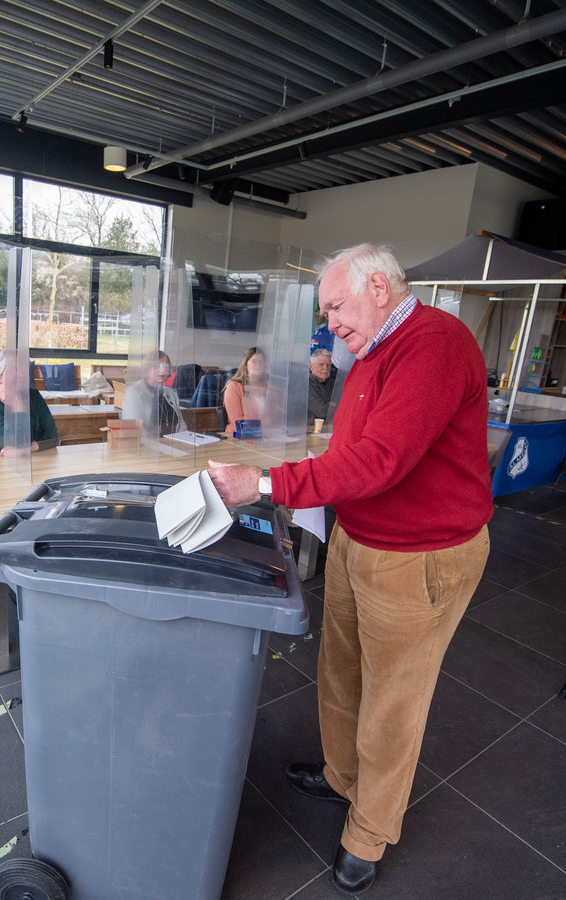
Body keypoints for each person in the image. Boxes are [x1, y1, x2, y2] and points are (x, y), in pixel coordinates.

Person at [206, 243, 492, 894]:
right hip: (359, 537)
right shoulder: (365, 354)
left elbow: (382, 460)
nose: (329, 321)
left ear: (378, 288)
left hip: (422, 554)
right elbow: (354, 450)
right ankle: (342, 775)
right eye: (324, 311)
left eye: (335, 305)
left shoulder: (433, 344)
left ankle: (369, 830)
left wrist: (267, 483)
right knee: (340, 667)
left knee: (394, 699)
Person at [0, 350, 57, 456]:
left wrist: (25, 450)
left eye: (24, 369)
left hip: (25, 463)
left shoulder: (33, 396)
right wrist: (18, 403)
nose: (22, 374)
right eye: (14, 370)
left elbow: (53, 437)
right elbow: (20, 441)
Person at [121, 350, 187, 437]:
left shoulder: (171, 394)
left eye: (165, 367)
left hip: (172, 445)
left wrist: (183, 441)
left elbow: (181, 425)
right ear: (147, 370)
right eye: (157, 366)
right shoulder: (133, 392)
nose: (162, 370)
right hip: (147, 446)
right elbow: (134, 428)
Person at [222, 346, 265, 435]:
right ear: (246, 364)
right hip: (240, 435)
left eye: (262, 362)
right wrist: (266, 424)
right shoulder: (234, 386)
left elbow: (277, 417)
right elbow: (237, 420)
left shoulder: (269, 386)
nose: (259, 364)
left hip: (266, 435)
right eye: (254, 361)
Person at [307, 347, 338, 426]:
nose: (325, 368)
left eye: (328, 365)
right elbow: (322, 411)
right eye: (321, 364)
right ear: (311, 366)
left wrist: (328, 405)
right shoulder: (306, 383)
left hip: (329, 428)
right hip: (310, 429)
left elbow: (343, 405)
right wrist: (332, 406)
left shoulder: (331, 383)